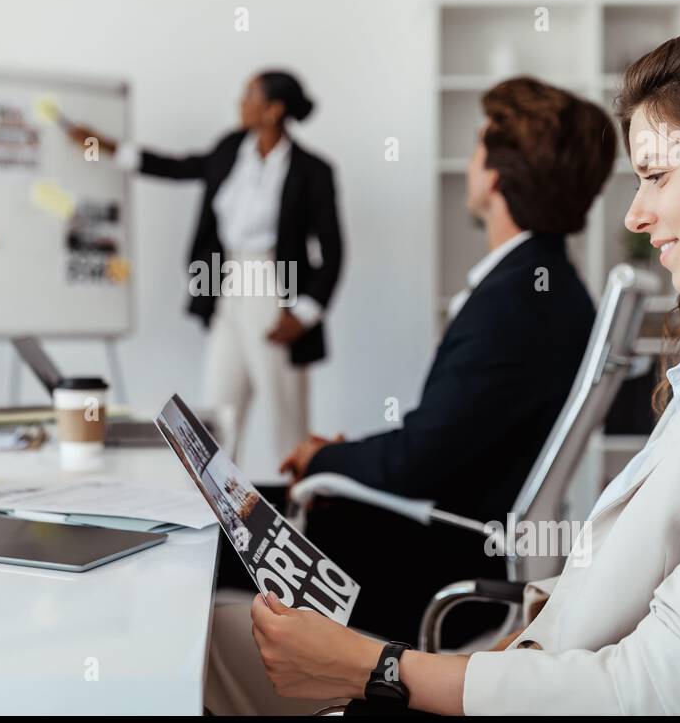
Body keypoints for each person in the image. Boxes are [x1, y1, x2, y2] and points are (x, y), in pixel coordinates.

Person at [244, 19, 680, 715]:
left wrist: (380, 669)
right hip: (536, 679)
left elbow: (676, 688)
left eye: (657, 175)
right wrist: (458, 668)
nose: (636, 216)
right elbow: (631, 593)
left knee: (213, 659)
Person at [263, 78, 617, 649]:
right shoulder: (545, 287)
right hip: (444, 539)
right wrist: (343, 464)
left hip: (432, 572)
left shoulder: (517, 302)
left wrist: (324, 457)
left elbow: (416, 462)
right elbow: (441, 445)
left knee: (218, 540)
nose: (473, 160)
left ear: (495, 175)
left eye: (479, 145)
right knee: (243, 510)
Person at [68, 71, 342, 472]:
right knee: (217, 414)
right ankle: (219, 521)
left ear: (274, 109)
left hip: (273, 283)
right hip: (226, 280)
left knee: (287, 420)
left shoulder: (312, 170)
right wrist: (104, 147)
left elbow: (334, 250)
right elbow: (178, 167)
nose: (240, 103)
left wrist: (303, 315)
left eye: (249, 95)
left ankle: (300, 517)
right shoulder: (232, 148)